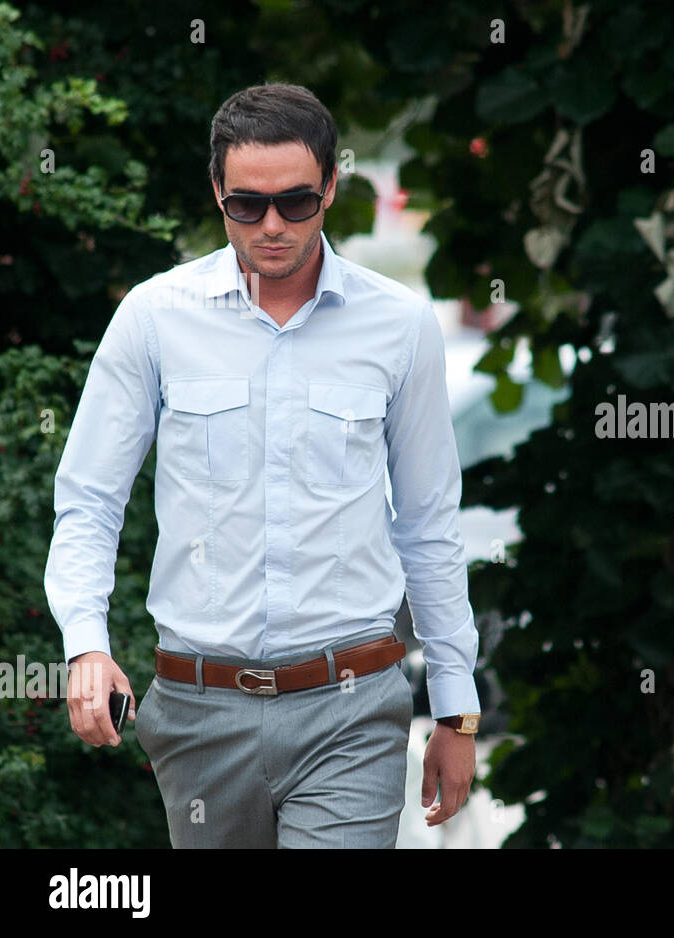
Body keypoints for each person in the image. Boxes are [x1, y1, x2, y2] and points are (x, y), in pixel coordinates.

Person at [44, 83, 482, 848]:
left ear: (332, 188)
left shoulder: (400, 326)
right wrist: (87, 642)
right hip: (198, 710)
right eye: (247, 205)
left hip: (351, 704)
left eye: (297, 202)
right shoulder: (154, 318)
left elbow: (428, 524)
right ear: (217, 191)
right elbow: (89, 499)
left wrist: (455, 706)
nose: (272, 226)